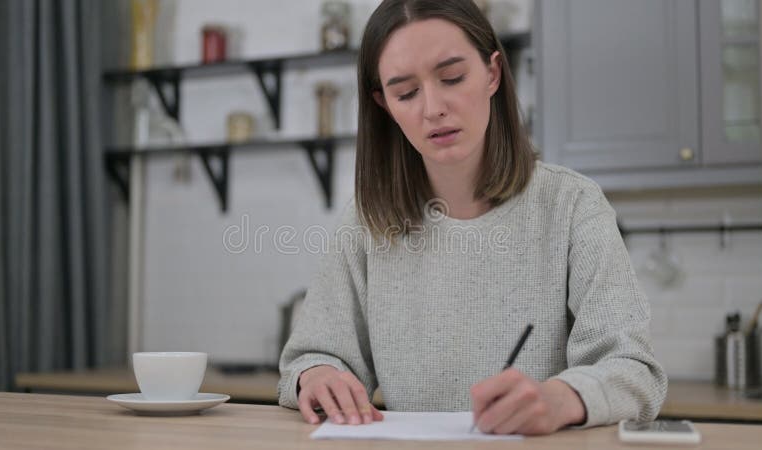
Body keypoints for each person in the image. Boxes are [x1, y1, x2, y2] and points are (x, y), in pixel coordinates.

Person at [278, 0, 667, 435]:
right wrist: (317, 375)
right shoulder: (367, 220)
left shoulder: (572, 205)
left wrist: (562, 399)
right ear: (384, 105)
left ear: (492, 74)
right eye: (406, 93)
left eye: (452, 78)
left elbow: (634, 370)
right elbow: (310, 357)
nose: (433, 108)